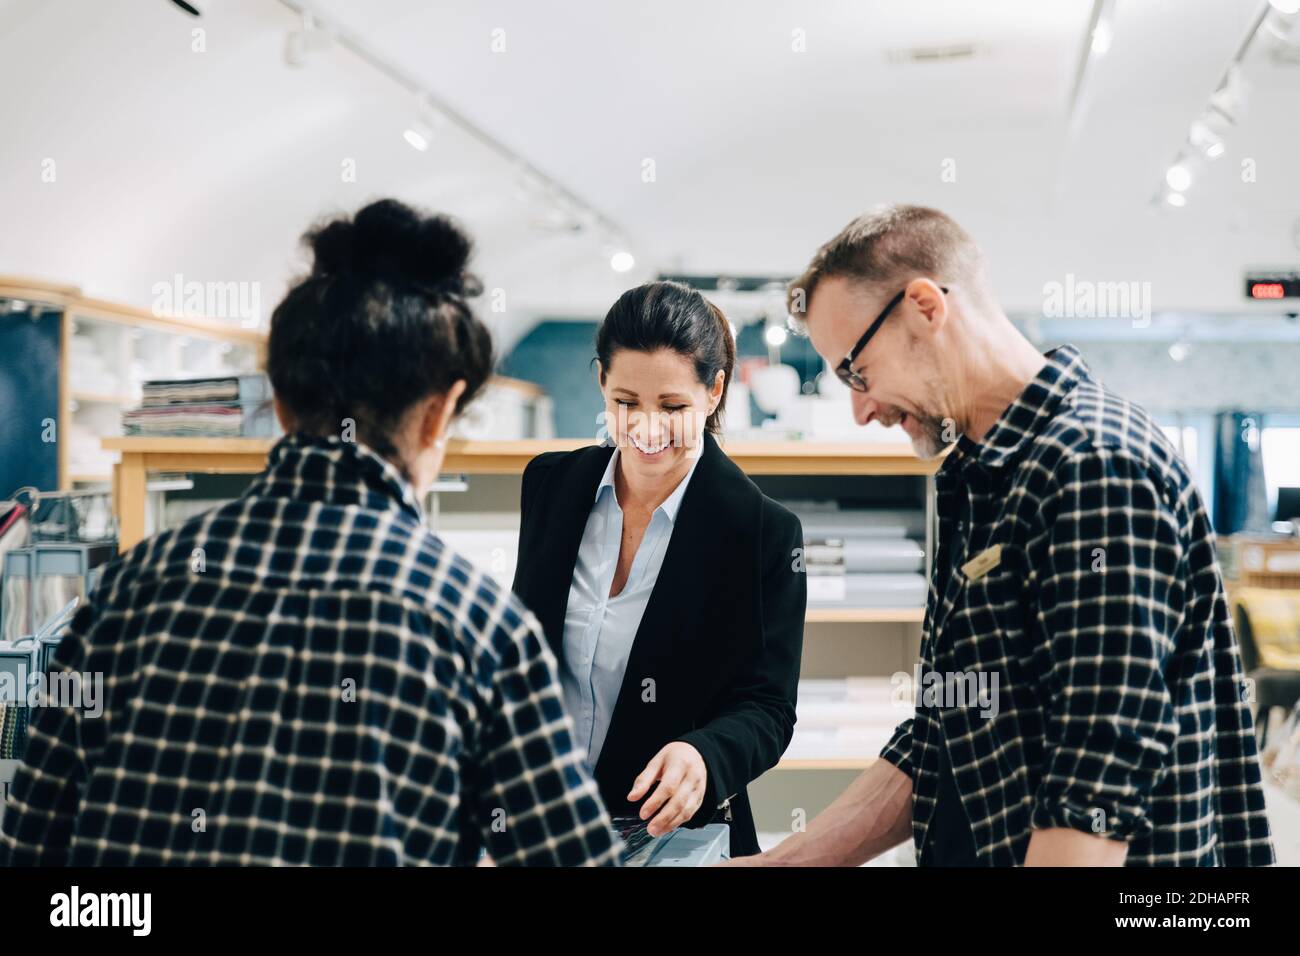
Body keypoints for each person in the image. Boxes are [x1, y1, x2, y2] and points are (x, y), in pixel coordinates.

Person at [0, 199, 621, 867]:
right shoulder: (480, 627)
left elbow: (30, 848)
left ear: (279, 397)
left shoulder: (127, 589)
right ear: (440, 412)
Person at [735, 204, 1275, 866]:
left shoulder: (1093, 466)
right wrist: (777, 865)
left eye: (856, 371)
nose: (861, 409)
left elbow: (1096, 782)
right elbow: (940, 732)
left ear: (926, 307)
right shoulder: (978, 477)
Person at [512, 280, 806, 858]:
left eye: (672, 407)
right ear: (601, 381)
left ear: (714, 391)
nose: (646, 429)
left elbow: (768, 707)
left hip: (669, 836)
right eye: (625, 403)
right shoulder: (550, 484)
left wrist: (704, 756)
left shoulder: (762, 532)